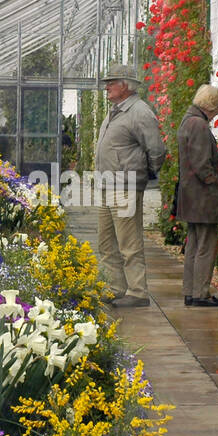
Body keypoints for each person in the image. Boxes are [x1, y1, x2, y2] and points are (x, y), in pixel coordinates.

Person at [93, 61, 165, 308]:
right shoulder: (116, 110)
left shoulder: (140, 112)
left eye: (111, 83)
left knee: (129, 243)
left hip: (125, 186)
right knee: (106, 243)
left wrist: (145, 174)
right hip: (107, 186)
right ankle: (114, 287)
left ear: (126, 86)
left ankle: (138, 292)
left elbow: (156, 149)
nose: (107, 87)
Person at [176, 84, 218, 306]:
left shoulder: (188, 120)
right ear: (212, 106)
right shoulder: (199, 124)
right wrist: (215, 182)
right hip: (202, 196)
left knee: (194, 244)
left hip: (190, 194)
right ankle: (201, 293)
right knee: (206, 245)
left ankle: (191, 291)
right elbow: (201, 163)